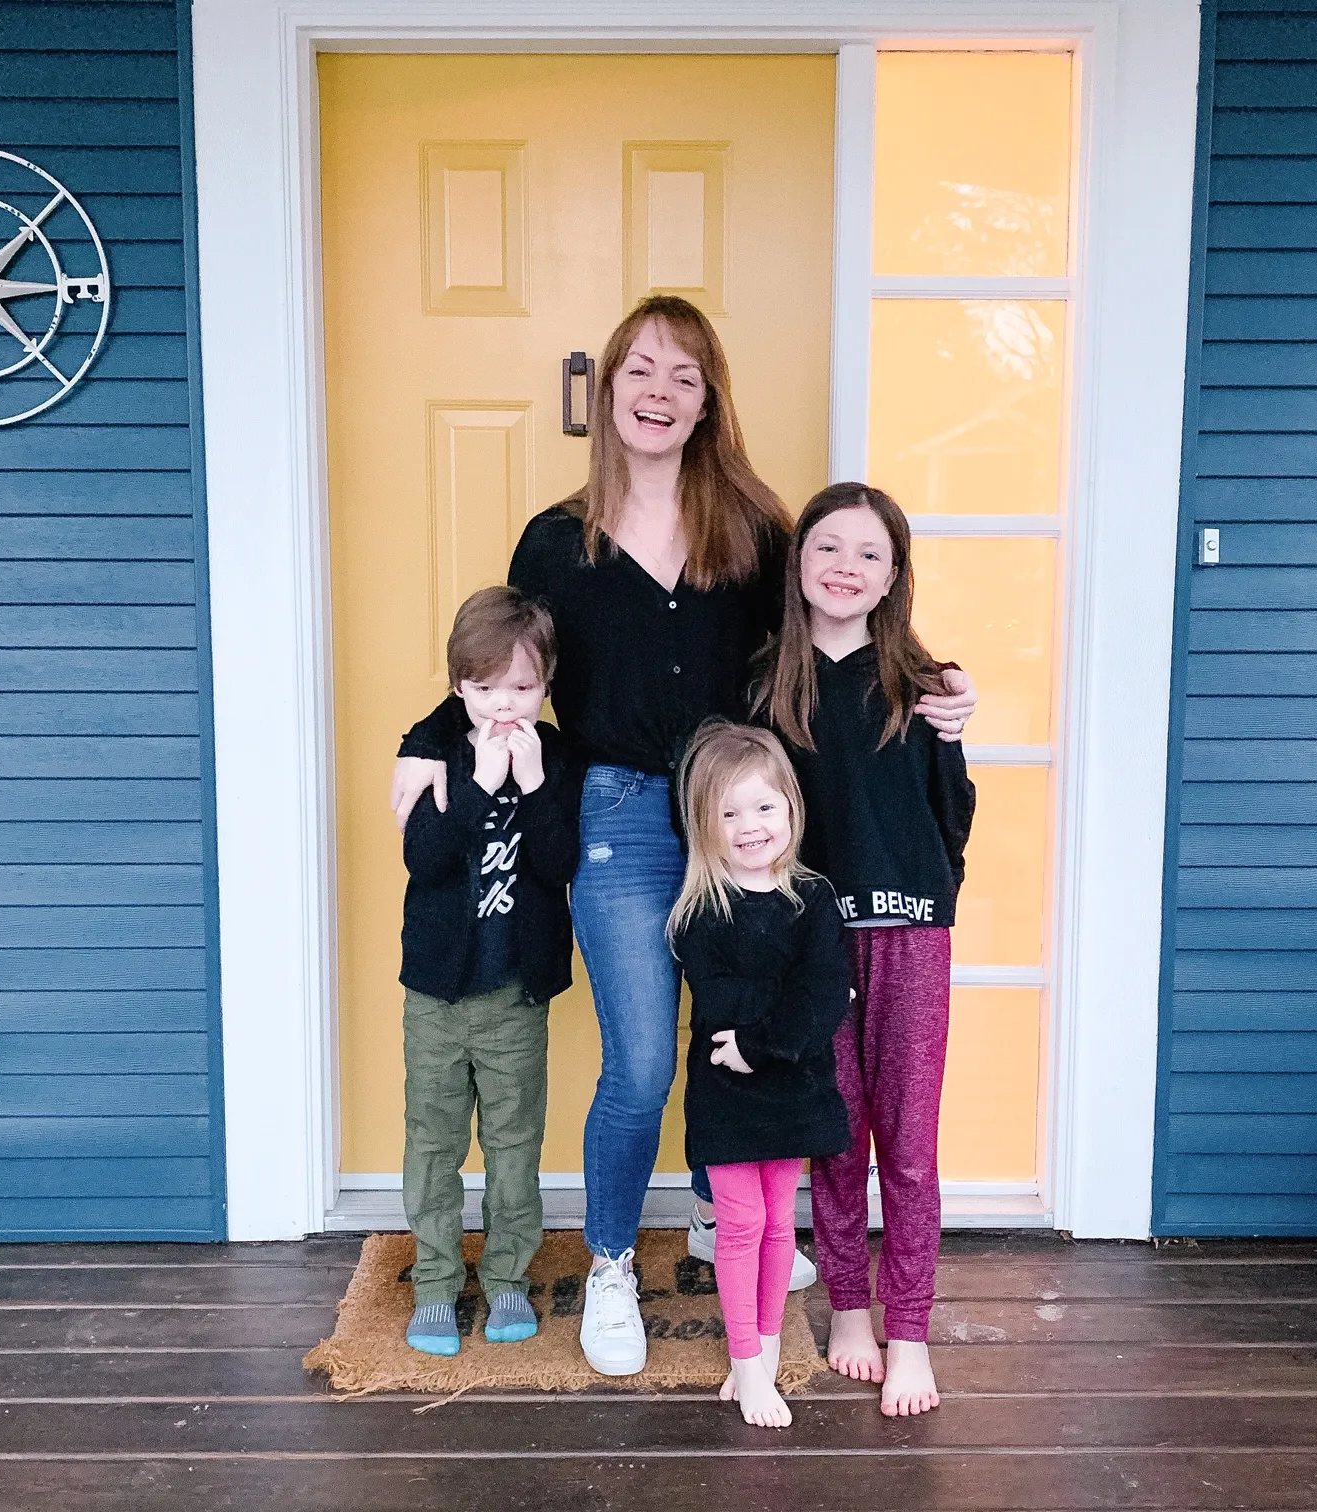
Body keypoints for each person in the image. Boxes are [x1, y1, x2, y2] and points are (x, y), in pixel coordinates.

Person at [389, 295, 977, 1376]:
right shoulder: (557, 543)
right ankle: (613, 1262)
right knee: (644, 1059)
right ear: (609, 389)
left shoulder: (754, 530)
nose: (660, 395)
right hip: (617, 813)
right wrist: (428, 737)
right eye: (642, 372)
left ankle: (717, 1212)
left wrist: (939, 689)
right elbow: (502, 665)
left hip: (738, 814)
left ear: (709, 403)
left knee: (745, 1022)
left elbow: (836, 627)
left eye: (685, 379)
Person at [753, 482, 976, 1417]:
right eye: (829, 548)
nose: (846, 567)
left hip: (910, 935)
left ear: (893, 579)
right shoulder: (765, 680)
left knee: (910, 1147)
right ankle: (849, 1308)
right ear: (799, 561)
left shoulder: (926, 690)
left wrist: (924, 896)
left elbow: (950, 816)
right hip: (810, 941)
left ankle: (911, 1328)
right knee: (835, 1138)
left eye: (869, 555)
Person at [396, 587, 580, 1357]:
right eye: (484, 689)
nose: (504, 706)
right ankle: (436, 1281)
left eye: (523, 688)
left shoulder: (557, 755)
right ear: (457, 685)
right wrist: (476, 783)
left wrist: (533, 787)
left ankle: (508, 1276)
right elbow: (426, 859)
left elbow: (562, 863)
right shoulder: (433, 746)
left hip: (514, 994)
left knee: (513, 1147)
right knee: (433, 1143)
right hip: (436, 995)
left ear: (546, 684)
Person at [668, 722, 850, 1428]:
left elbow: (824, 996)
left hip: (789, 1086)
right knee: (740, 1225)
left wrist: (762, 1038)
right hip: (728, 1094)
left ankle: (762, 1359)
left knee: (780, 1224)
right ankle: (747, 1366)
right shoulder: (700, 909)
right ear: (705, 823)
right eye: (730, 813)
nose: (750, 827)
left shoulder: (813, 899)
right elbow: (722, 999)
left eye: (764, 808)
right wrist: (780, 1020)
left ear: (791, 810)